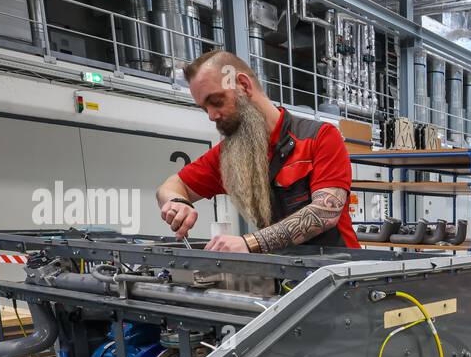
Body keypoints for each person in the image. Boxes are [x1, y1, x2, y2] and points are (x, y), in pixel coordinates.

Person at [154, 50, 359, 253]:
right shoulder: (230, 155)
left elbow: (325, 213)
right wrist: (177, 202)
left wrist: (249, 243)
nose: (211, 115)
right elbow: (172, 185)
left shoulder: (319, 137)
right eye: (204, 108)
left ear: (243, 86)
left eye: (216, 101)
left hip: (341, 275)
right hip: (285, 277)